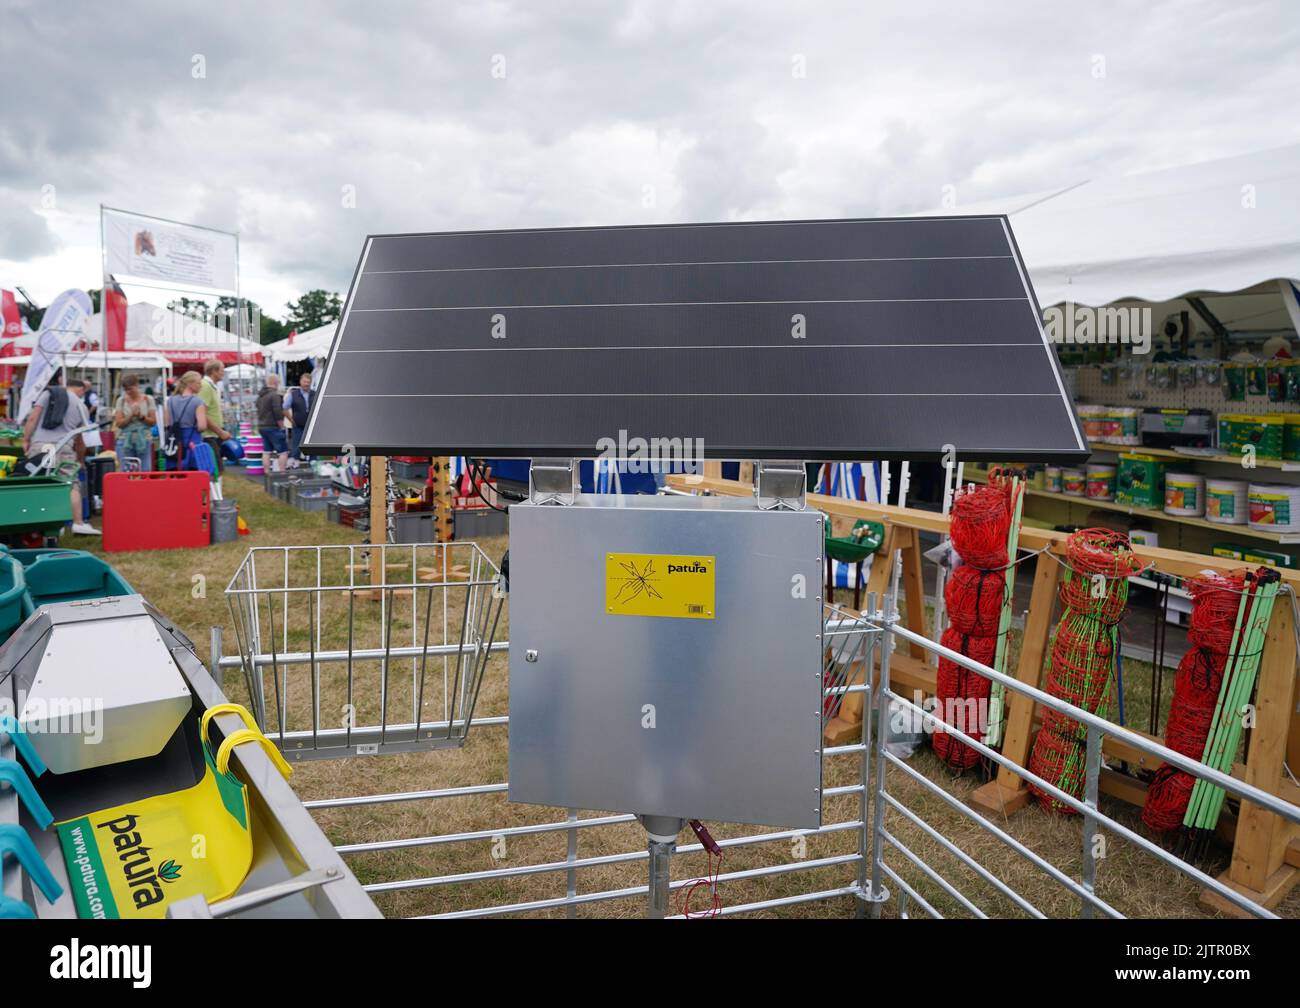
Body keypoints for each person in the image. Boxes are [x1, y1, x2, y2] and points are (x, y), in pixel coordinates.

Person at [23, 375, 100, 536]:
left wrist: (26, 439)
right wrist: (80, 460)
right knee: (71, 485)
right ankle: (78, 523)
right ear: (81, 389)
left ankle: (42, 525)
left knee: (39, 485)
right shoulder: (81, 406)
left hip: (41, 447)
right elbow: (80, 440)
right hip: (64, 447)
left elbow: (32, 418)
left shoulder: (49, 394)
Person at [163, 371, 212, 475]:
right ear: (190, 384)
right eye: (199, 383)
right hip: (192, 443)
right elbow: (202, 426)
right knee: (193, 476)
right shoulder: (198, 402)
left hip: (174, 445)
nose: (201, 386)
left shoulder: (170, 401)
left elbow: (167, 424)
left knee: (174, 476)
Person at [197, 359, 233, 486]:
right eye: (222, 370)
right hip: (208, 436)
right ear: (214, 371)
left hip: (213, 435)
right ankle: (214, 500)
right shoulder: (206, 386)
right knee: (214, 470)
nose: (223, 373)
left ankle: (215, 498)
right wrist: (220, 431)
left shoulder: (211, 386)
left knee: (217, 469)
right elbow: (202, 413)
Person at [112, 374, 157, 471]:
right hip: (124, 439)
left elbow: (153, 422)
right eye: (126, 389)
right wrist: (131, 415)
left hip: (144, 438)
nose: (128, 392)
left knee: (145, 470)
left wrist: (141, 416)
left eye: (130, 389)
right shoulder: (121, 400)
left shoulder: (148, 400)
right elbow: (119, 423)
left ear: (137, 386)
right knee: (125, 471)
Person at [256, 374, 289, 473]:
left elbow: (258, 409)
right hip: (273, 426)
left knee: (266, 451)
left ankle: (267, 473)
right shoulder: (274, 395)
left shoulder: (260, 396)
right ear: (275, 383)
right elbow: (278, 411)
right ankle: (282, 473)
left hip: (262, 426)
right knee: (283, 452)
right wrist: (281, 425)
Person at [285, 370, 315, 462]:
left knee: (313, 448)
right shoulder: (293, 394)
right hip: (298, 426)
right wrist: (291, 420)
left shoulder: (315, 394)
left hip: (311, 427)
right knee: (296, 448)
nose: (306, 384)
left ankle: (313, 467)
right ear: (300, 381)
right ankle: (295, 468)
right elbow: (284, 408)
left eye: (308, 382)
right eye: (304, 381)